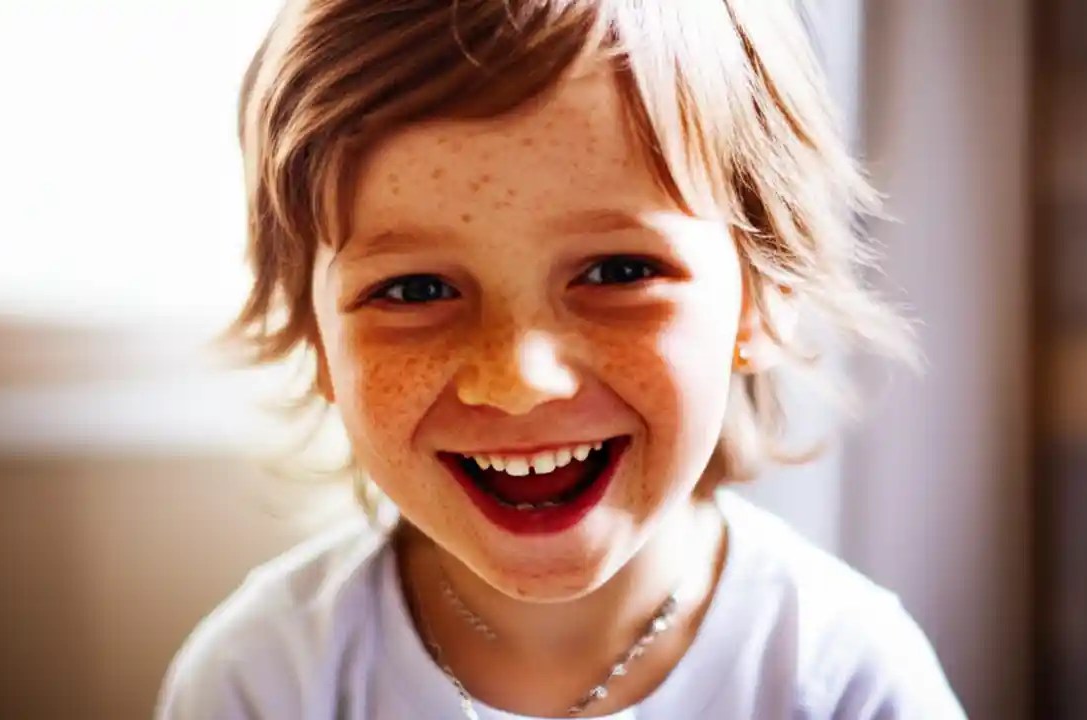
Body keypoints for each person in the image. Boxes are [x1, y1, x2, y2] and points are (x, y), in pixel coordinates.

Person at [156, 1, 966, 717]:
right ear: (318, 342)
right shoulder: (262, 682)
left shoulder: (846, 679)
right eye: (413, 289)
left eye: (618, 273)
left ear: (758, 298)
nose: (517, 381)